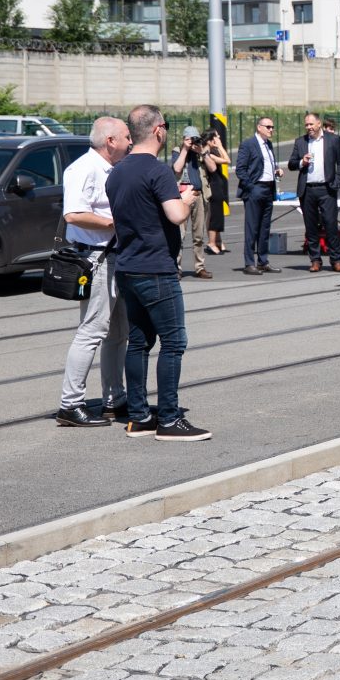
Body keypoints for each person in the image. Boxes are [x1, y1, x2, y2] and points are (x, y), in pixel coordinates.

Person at [107, 104, 209, 441]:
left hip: (128, 267)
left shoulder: (117, 171)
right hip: (156, 268)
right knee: (174, 341)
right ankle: (168, 418)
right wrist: (189, 200)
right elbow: (176, 215)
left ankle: (138, 416)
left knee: (138, 341)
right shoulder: (159, 171)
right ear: (159, 130)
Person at [58, 116, 130, 426]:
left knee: (117, 333)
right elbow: (73, 214)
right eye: (126, 136)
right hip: (96, 258)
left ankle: (115, 398)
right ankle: (70, 404)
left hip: (115, 256)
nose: (130, 141)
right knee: (92, 331)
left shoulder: (111, 169)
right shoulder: (84, 169)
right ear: (110, 141)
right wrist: (113, 223)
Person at [287, 111, 340, 273]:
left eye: (311, 124)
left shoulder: (333, 140)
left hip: (327, 189)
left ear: (319, 124)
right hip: (308, 190)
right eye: (306, 124)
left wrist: (337, 182)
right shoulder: (300, 142)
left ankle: (336, 260)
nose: (308, 127)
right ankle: (315, 260)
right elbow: (291, 164)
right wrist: (301, 162)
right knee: (311, 227)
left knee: (331, 225)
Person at [235, 115, 279, 274]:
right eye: (268, 127)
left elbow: (266, 165)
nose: (271, 130)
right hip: (255, 189)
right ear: (259, 127)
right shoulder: (248, 144)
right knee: (252, 228)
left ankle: (263, 261)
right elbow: (240, 169)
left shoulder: (269, 145)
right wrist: (251, 187)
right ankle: (249, 263)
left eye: (272, 127)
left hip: (268, 189)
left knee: (264, 228)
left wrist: (276, 171)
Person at [170, 125, 212, 279]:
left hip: (197, 195)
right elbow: (177, 168)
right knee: (179, 235)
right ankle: (176, 267)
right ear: (184, 139)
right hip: (181, 196)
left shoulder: (200, 152)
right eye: (190, 139)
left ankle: (200, 267)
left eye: (195, 138)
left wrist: (202, 152)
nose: (193, 142)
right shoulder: (177, 151)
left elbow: (213, 168)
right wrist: (185, 149)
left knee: (199, 235)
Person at [202, 115, 231, 255]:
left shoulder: (212, 152)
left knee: (218, 214)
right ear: (211, 139)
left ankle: (218, 240)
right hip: (213, 186)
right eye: (217, 137)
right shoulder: (208, 153)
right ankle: (211, 242)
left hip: (217, 184)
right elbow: (227, 160)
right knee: (215, 215)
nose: (219, 138)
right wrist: (220, 146)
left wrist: (218, 146)